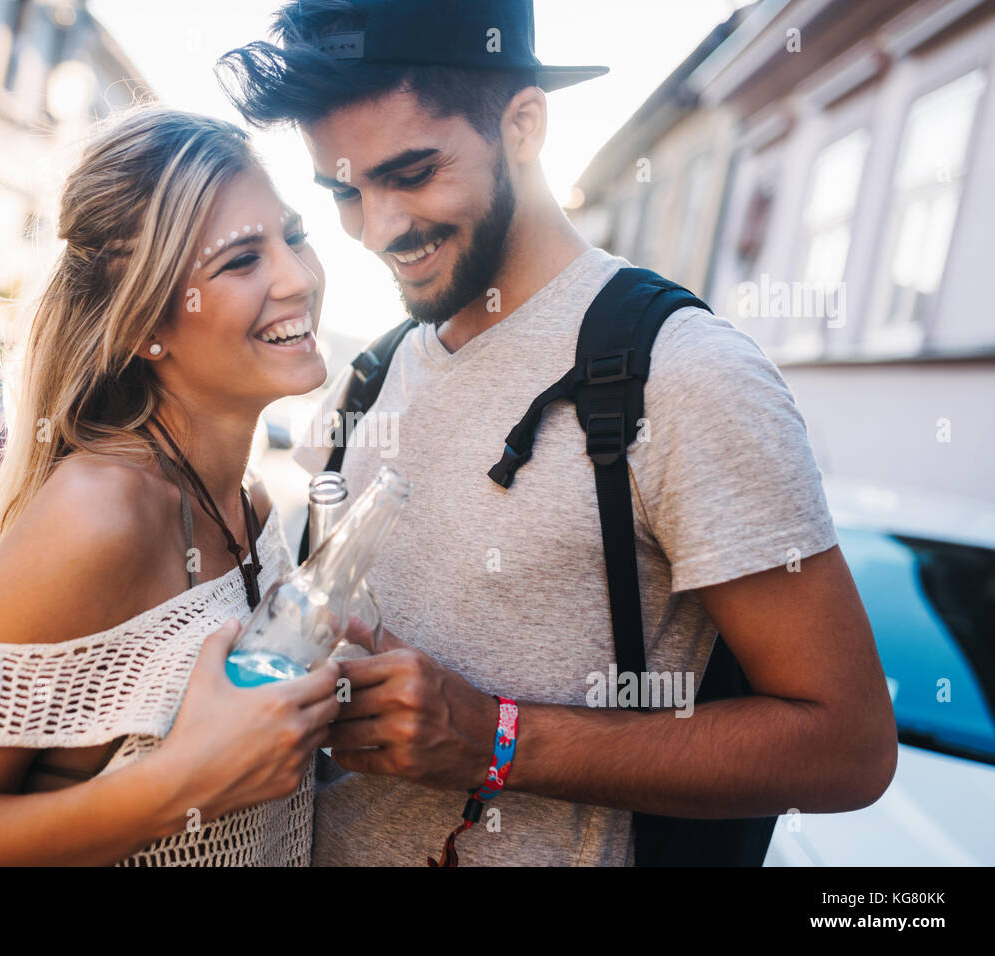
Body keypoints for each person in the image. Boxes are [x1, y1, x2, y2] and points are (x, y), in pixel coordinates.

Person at [218, 0, 898, 866]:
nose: (379, 227)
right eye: (347, 192)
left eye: (414, 172)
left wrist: (501, 741)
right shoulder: (363, 381)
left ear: (525, 124)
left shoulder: (685, 375)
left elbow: (849, 749)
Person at [0, 104, 342, 866]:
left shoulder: (250, 503)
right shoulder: (100, 511)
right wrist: (185, 781)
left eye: (292, 235)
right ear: (142, 330)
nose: (298, 278)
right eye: (240, 261)